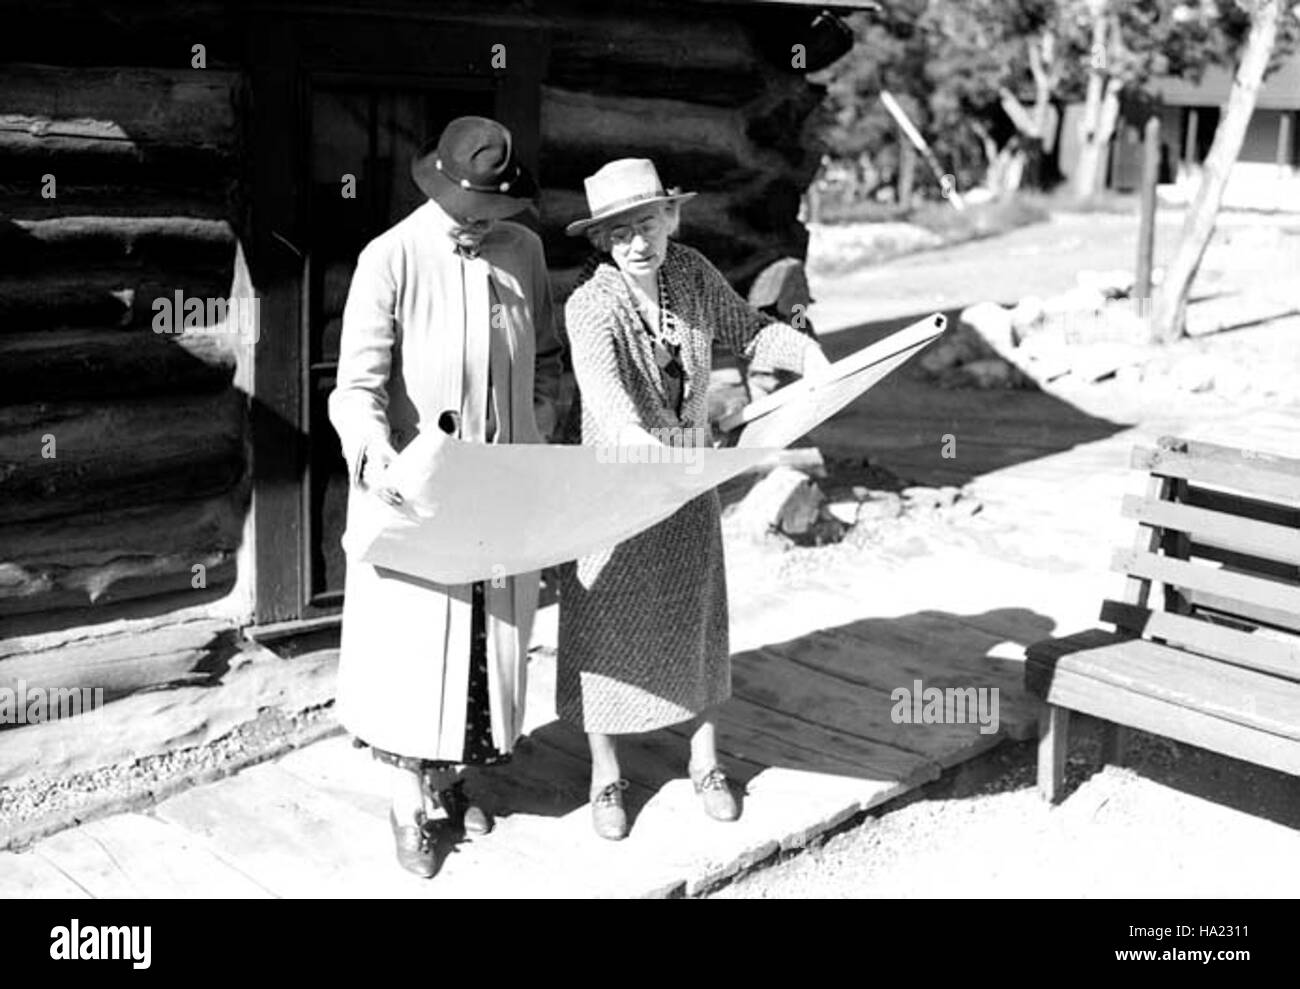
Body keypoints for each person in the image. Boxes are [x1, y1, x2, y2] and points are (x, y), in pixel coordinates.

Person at [557, 158, 831, 840]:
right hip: (614, 486)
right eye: (620, 232)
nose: (638, 243)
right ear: (602, 240)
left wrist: (812, 357)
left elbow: (751, 330)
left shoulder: (693, 274)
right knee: (603, 624)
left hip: (687, 480)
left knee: (697, 613)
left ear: (670, 218)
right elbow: (601, 388)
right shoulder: (590, 303)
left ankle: (705, 760)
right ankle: (606, 774)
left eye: (647, 223)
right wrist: (630, 436)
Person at [329, 116, 563, 877]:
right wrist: (379, 459)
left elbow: (546, 359)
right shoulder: (390, 257)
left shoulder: (523, 252)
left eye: (503, 207)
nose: (497, 220)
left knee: (483, 644)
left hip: (499, 490)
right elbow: (356, 389)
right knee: (414, 650)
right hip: (416, 493)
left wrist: (542, 427)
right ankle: (409, 806)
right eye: (484, 207)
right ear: (448, 188)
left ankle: (455, 779)